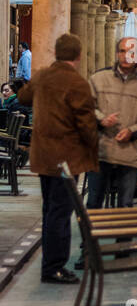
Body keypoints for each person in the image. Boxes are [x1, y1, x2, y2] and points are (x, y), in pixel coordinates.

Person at [19, 32, 99, 284]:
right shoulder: (77, 83)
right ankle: (53, 267)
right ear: (78, 56)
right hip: (66, 160)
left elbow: (23, 98)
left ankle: (49, 263)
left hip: (44, 157)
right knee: (61, 212)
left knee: (49, 210)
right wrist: (94, 149)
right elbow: (86, 124)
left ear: (55, 53)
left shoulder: (43, 76)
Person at [87, 37, 137, 209]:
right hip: (100, 150)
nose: (126, 56)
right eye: (122, 51)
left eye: (131, 52)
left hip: (130, 154)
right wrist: (101, 119)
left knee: (126, 204)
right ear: (117, 53)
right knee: (93, 203)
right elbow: (86, 106)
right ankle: (91, 236)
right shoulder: (99, 78)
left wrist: (132, 131)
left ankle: (123, 237)